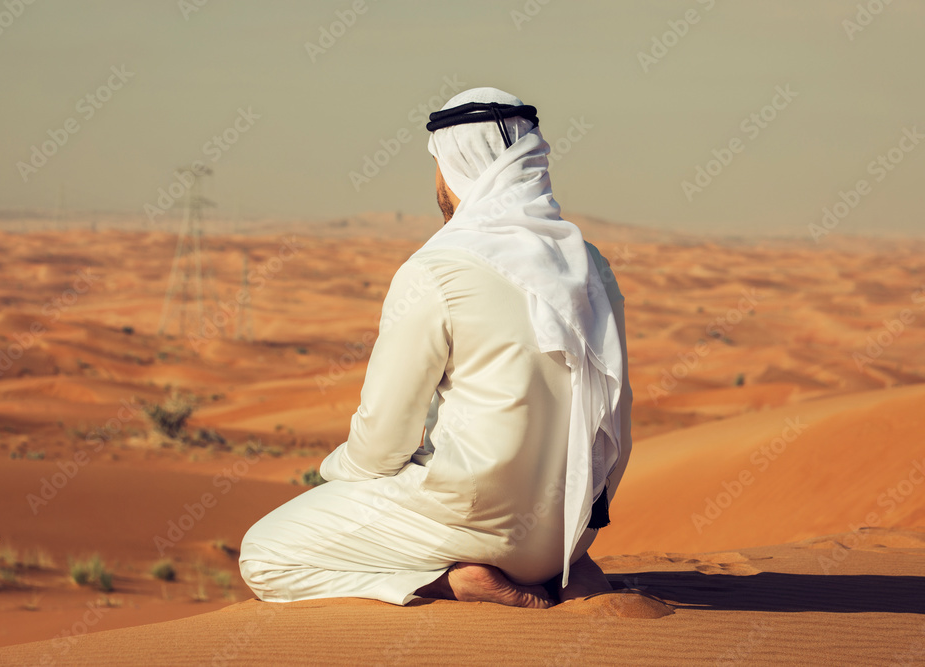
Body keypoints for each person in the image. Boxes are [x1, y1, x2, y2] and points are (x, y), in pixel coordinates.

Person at [239, 87, 633, 609]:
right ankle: (565, 574)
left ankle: (449, 580)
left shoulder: (437, 270)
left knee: (264, 555)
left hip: (471, 524)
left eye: (437, 168)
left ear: (454, 167)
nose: (438, 185)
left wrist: (335, 475)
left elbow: (382, 443)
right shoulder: (590, 264)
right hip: (571, 532)